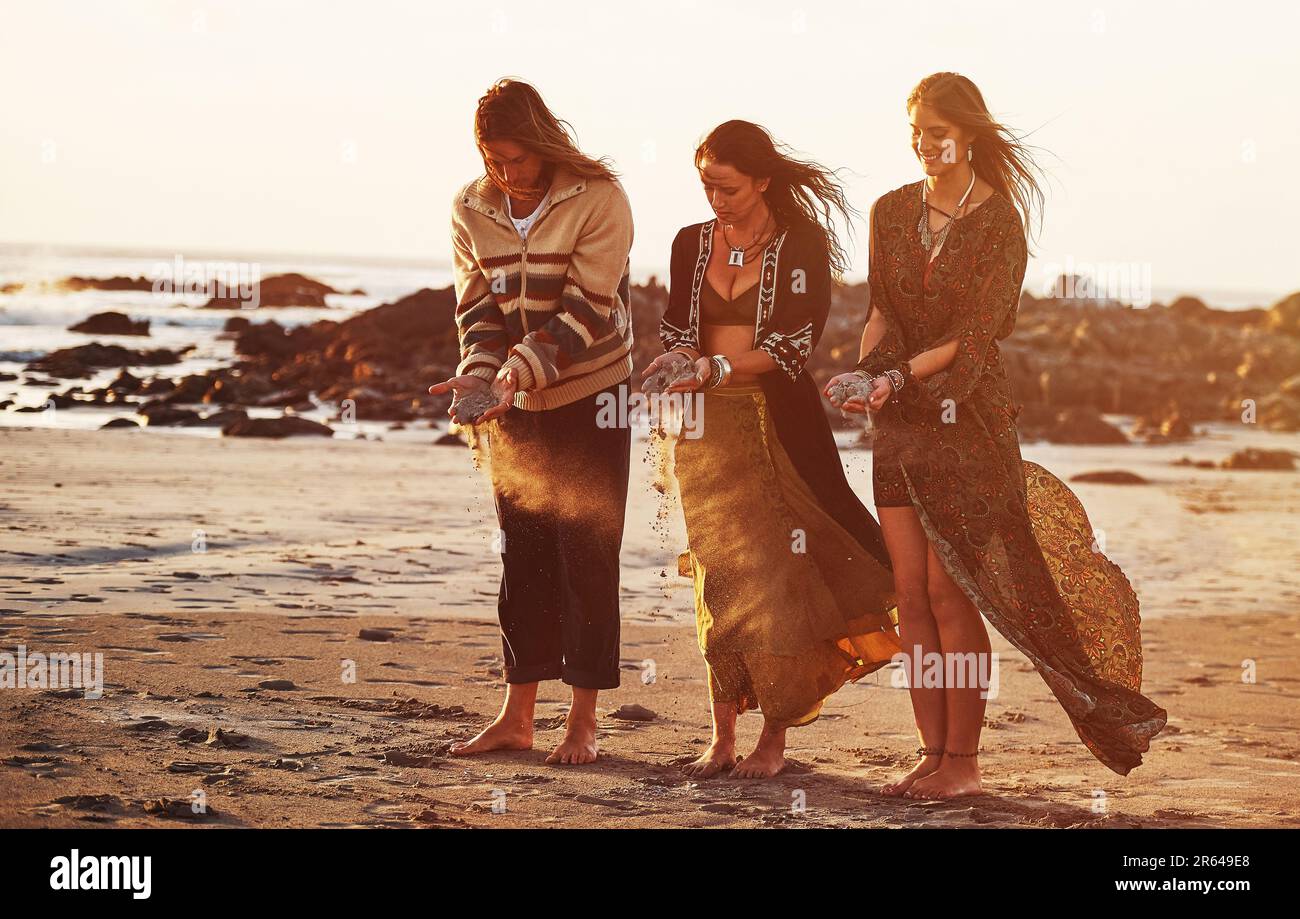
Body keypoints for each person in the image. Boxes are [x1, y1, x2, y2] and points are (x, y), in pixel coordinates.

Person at [825, 72, 1167, 798]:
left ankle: (966, 763)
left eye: (938, 130)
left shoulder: (999, 221)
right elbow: (881, 310)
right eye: (916, 129)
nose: (925, 143)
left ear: (969, 133)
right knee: (911, 593)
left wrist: (898, 379)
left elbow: (976, 336)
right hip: (896, 421)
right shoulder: (888, 211)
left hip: (966, 418)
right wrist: (864, 376)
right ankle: (931, 750)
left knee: (953, 594)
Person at [644, 120, 901, 780]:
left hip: (777, 425)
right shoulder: (689, 243)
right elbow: (678, 325)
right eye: (706, 186)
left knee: (780, 578)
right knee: (719, 577)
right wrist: (677, 360)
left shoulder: (802, 245)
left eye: (727, 187)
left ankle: (774, 739)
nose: (716, 200)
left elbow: (793, 344)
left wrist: (717, 370)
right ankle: (722, 735)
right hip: (703, 431)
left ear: (761, 180)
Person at [429, 78, 634, 765]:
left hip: (591, 392)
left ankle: (583, 720)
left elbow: (586, 310)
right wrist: (482, 376)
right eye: (493, 160)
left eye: (517, 160)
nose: (505, 175)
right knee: (522, 553)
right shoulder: (469, 206)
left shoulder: (600, 199)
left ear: (543, 145)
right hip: (511, 403)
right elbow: (477, 310)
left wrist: (515, 371)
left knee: (587, 551)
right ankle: (517, 716)